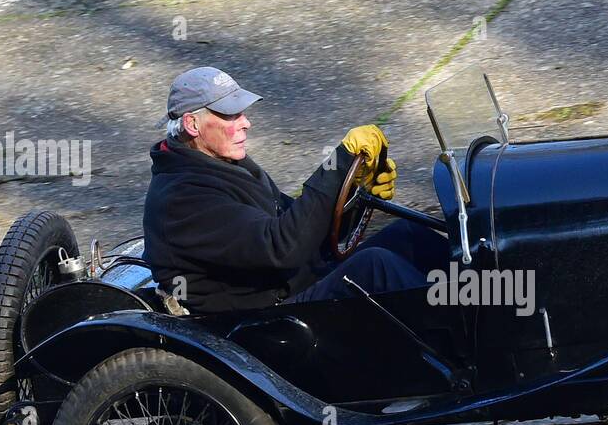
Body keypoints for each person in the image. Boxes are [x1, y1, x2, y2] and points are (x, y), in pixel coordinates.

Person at [143, 67, 448, 314]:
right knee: (376, 266)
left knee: (407, 236)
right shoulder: (182, 198)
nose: (246, 122)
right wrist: (337, 165)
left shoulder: (222, 163)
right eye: (230, 115)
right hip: (262, 323)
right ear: (192, 124)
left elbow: (301, 226)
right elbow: (281, 248)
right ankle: (467, 346)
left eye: (242, 113)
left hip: (291, 286)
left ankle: (487, 300)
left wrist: (358, 196)